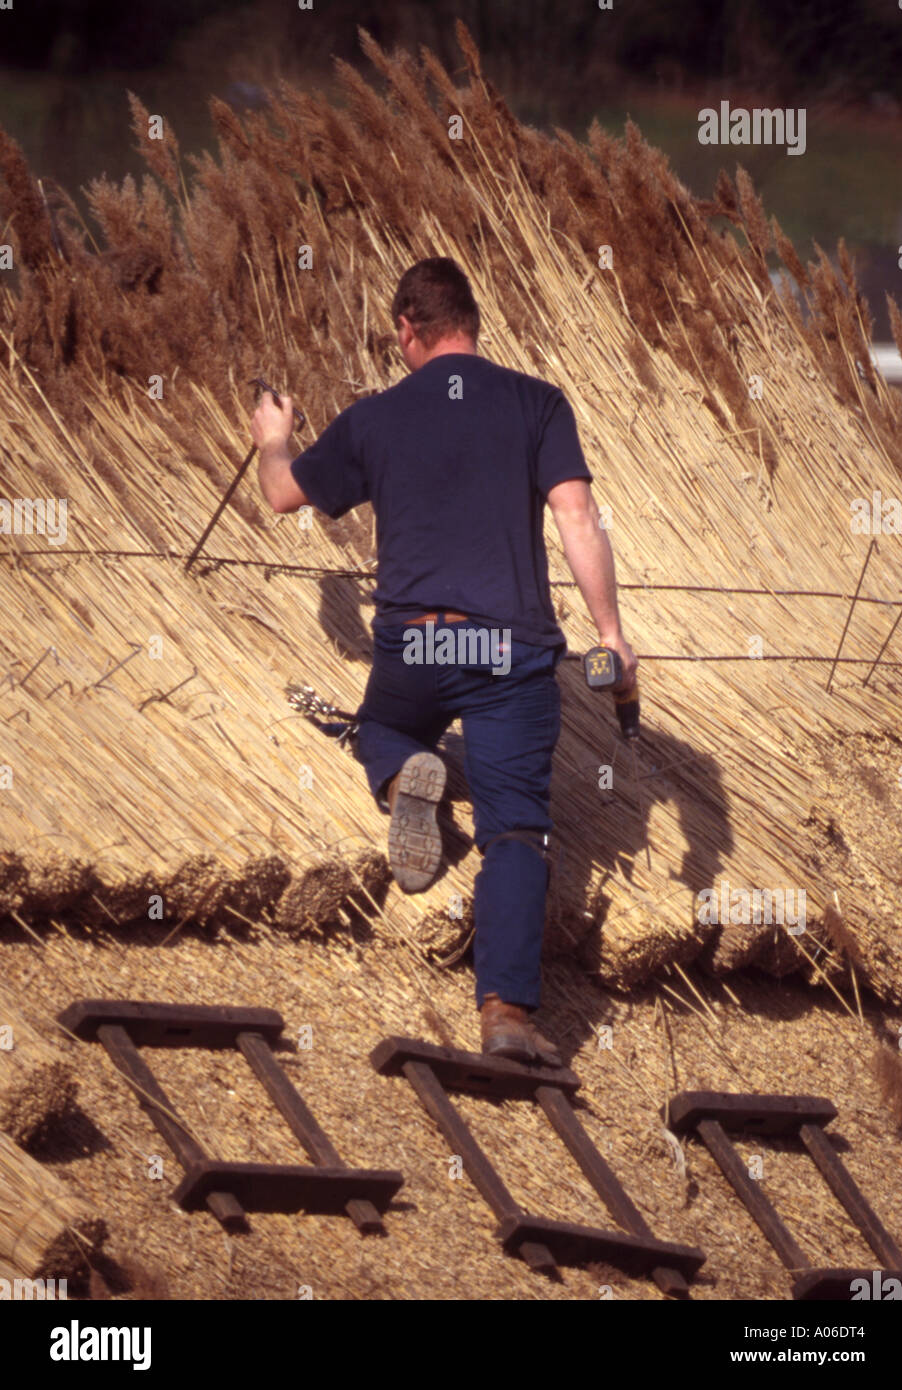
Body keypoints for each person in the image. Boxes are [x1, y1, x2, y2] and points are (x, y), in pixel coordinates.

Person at [251, 256, 637, 1065]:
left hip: (418, 642)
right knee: (517, 833)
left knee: (381, 725)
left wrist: (275, 438)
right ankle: (504, 1015)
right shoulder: (538, 403)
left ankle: (401, 774)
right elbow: (577, 518)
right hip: (511, 650)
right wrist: (609, 634)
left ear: (405, 329)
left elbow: (284, 494)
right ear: (472, 322)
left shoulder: (375, 416)